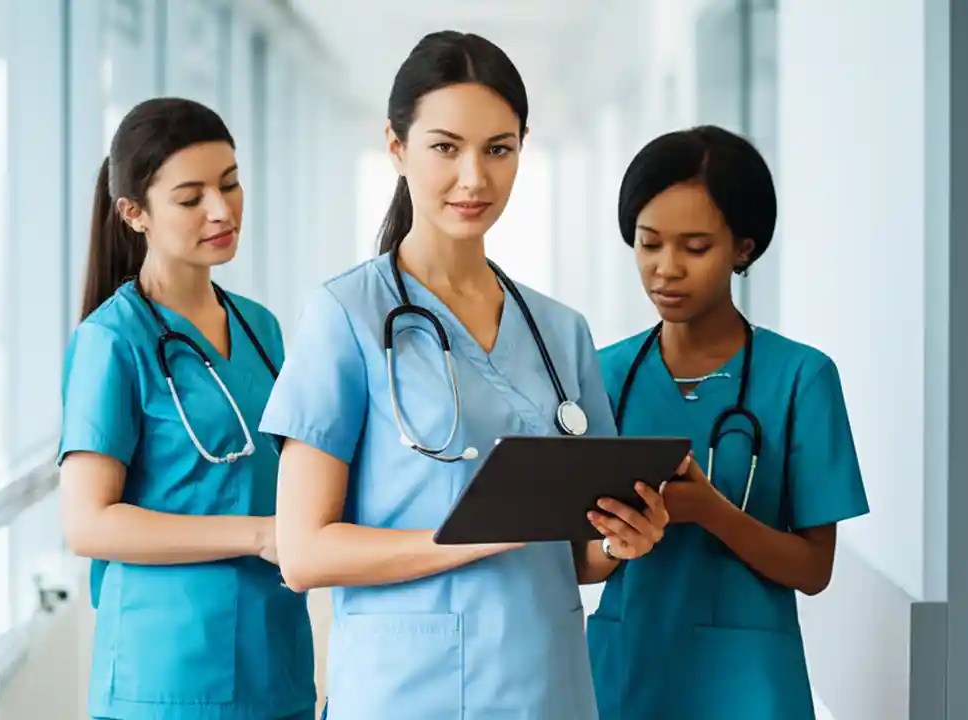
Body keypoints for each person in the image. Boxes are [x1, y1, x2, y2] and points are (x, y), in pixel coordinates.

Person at [258, 31, 669, 720]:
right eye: (446, 147)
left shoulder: (559, 332)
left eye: (498, 149)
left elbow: (577, 555)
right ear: (397, 147)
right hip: (406, 692)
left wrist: (621, 540)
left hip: (547, 687)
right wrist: (479, 533)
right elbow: (302, 553)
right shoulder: (346, 318)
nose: (474, 177)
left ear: (521, 149)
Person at [585, 125, 870, 719]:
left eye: (694, 248)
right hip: (624, 670)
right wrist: (623, 541)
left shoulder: (801, 378)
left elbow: (814, 569)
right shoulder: (604, 375)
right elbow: (576, 558)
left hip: (748, 688)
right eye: (649, 243)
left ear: (743, 247)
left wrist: (711, 511)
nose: (666, 270)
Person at [57, 97, 315, 720]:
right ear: (134, 213)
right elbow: (88, 524)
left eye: (230, 184)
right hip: (165, 674)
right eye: (191, 196)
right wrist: (258, 534)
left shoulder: (262, 329)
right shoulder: (113, 341)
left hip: (274, 656)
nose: (222, 210)